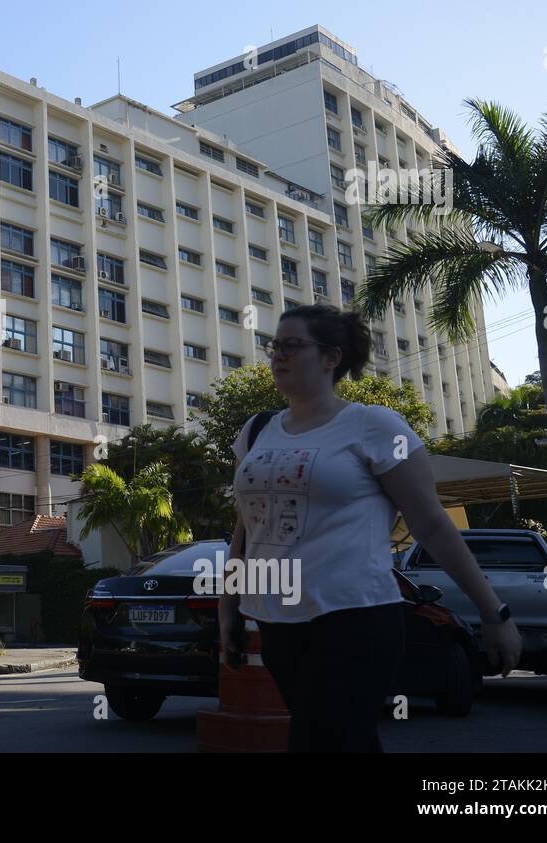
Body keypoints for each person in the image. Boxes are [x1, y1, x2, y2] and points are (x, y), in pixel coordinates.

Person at [218, 304, 522, 753]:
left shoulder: (375, 426)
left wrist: (494, 614)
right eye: (274, 346)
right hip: (277, 619)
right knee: (345, 741)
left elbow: (432, 525)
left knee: (320, 741)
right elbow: (245, 530)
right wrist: (229, 608)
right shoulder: (257, 431)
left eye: (292, 345)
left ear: (331, 357)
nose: (277, 355)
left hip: (355, 618)